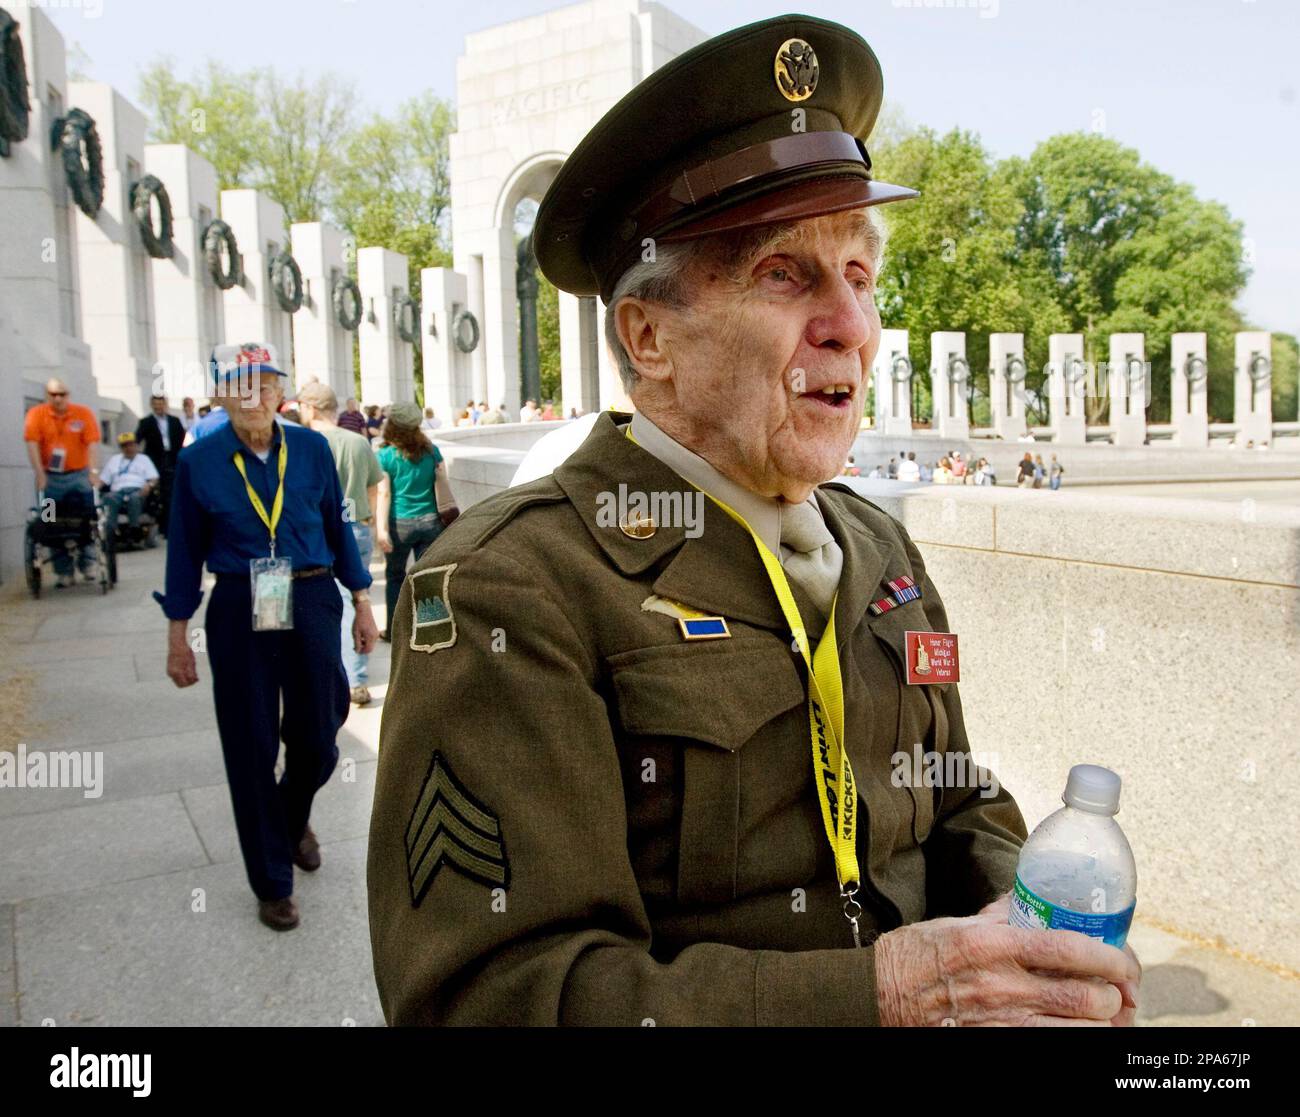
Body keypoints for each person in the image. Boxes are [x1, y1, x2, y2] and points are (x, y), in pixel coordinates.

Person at [368, 15, 1140, 1027]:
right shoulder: (510, 587)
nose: (851, 327)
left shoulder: (881, 550)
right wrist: (888, 994)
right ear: (649, 337)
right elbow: (493, 998)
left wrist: (1024, 934)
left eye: (858, 277)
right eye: (786, 274)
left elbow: (954, 796)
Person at [159, 342, 378, 932]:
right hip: (237, 603)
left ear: (282, 393)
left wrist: (362, 602)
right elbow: (183, 555)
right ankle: (272, 881)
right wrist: (178, 634)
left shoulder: (310, 449)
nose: (254, 395)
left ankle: (291, 812)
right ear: (221, 395)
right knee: (249, 742)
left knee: (321, 731)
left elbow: (338, 524)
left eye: (265, 383)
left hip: (309, 596)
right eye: (240, 384)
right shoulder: (198, 463)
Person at [298, 382, 386, 707]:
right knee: (358, 598)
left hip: (321, 532)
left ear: (310, 408)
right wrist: (375, 524)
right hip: (358, 526)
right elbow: (375, 486)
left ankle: (339, 674)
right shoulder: (359, 443)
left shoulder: (305, 443)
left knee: (335, 603)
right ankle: (357, 676)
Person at [374, 402, 460, 641]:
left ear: (392, 426)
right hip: (432, 521)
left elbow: (384, 494)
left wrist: (381, 530)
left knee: (394, 576)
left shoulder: (384, 456)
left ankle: (393, 630)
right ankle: (432, 628)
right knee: (429, 576)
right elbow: (441, 483)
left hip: (399, 523)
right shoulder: (432, 452)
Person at [23, 378, 101, 586]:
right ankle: (63, 571)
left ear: (68, 395)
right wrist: (40, 474)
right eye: (53, 394)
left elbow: (92, 444)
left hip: (78, 475)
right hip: (51, 478)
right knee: (50, 521)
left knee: (88, 518)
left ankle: (88, 563)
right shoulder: (36, 415)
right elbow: (32, 445)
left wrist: (93, 471)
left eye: (62, 394)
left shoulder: (83, 414)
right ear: (47, 396)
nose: (58, 399)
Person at [99, 432, 159, 547]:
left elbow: (154, 478)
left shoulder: (144, 459)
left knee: (134, 498)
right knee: (109, 498)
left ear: (136, 446)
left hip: (137, 489)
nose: (129, 448)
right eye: (125, 446)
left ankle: (134, 529)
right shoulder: (114, 460)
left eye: (131, 445)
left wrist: (149, 485)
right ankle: (111, 531)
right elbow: (103, 480)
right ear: (121, 448)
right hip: (118, 490)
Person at [136, 395, 184, 536]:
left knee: (170, 494)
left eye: (161, 404)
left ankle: (168, 528)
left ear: (166, 405)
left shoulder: (174, 421)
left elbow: (182, 440)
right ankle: (156, 524)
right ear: (152, 405)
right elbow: (137, 440)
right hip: (155, 460)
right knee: (156, 494)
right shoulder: (146, 422)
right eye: (156, 404)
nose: (159, 407)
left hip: (172, 458)